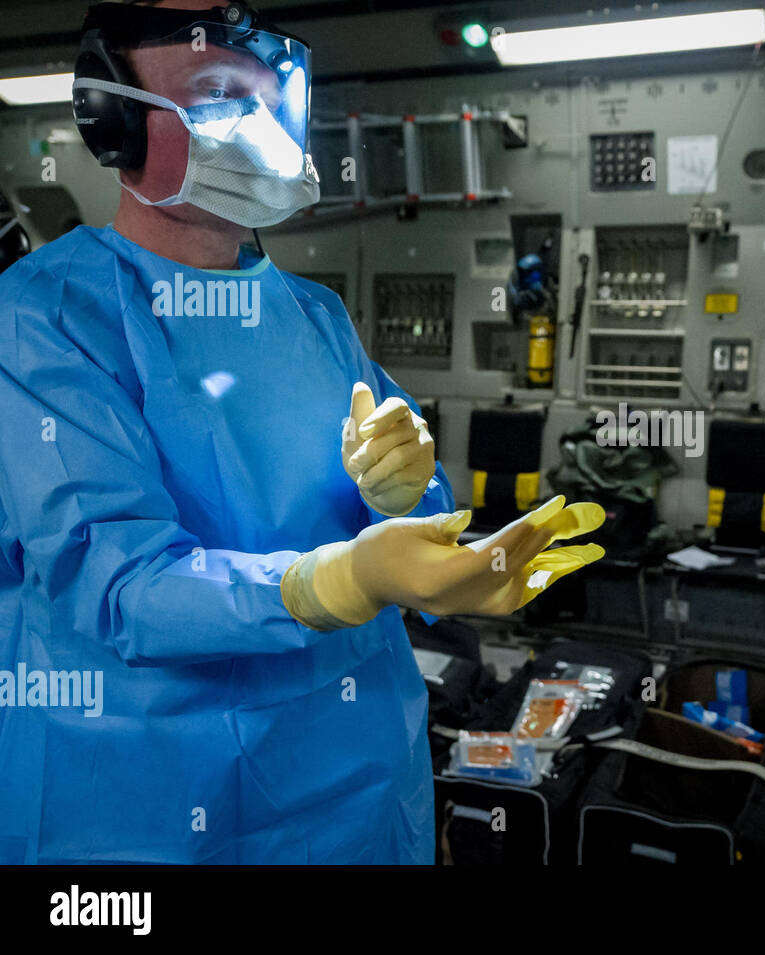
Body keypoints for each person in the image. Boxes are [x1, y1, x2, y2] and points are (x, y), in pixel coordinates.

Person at [0, 0, 604, 864]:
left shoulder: (313, 316)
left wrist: (407, 497)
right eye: (214, 95)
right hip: (147, 805)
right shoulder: (47, 316)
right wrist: (335, 580)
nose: (252, 125)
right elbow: (117, 581)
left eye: (263, 96)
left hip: (354, 783)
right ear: (116, 123)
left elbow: (400, 524)